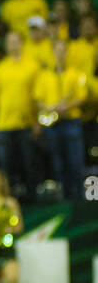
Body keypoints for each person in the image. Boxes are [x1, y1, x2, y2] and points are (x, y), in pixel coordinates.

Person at [32, 39, 87, 199]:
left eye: (63, 50)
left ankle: (78, 198)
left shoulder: (76, 73)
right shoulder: (45, 75)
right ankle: (62, 198)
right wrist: (50, 108)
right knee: (57, 162)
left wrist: (65, 106)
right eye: (57, 50)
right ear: (53, 52)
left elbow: (82, 97)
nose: (60, 53)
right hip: (52, 124)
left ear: (67, 52)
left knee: (75, 162)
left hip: (71, 122)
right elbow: (38, 99)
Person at [0, 31, 38, 199]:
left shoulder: (32, 66)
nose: (13, 45)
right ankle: (7, 202)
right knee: (5, 167)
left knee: (29, 164)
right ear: (6, 45)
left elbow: (38, 96)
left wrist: (37, 121)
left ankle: (32, 200)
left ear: (22, 43)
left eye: (16, 41)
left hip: (26, 124)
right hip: (3, 125)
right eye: (10, 42)